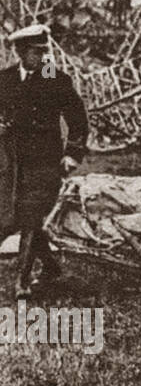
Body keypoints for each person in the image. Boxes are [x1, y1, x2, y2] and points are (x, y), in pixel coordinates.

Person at [0, 24, 89, 298]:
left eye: (44, 51)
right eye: (36, 52)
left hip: (44, 161)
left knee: (29, 216)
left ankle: (22, 282)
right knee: (11, 218)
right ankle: (50, 267)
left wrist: (72, 153)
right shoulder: (5, 78)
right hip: (10, 162)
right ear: (20, 52)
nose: (43, 57)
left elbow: (78, 119)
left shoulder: (53, 78)